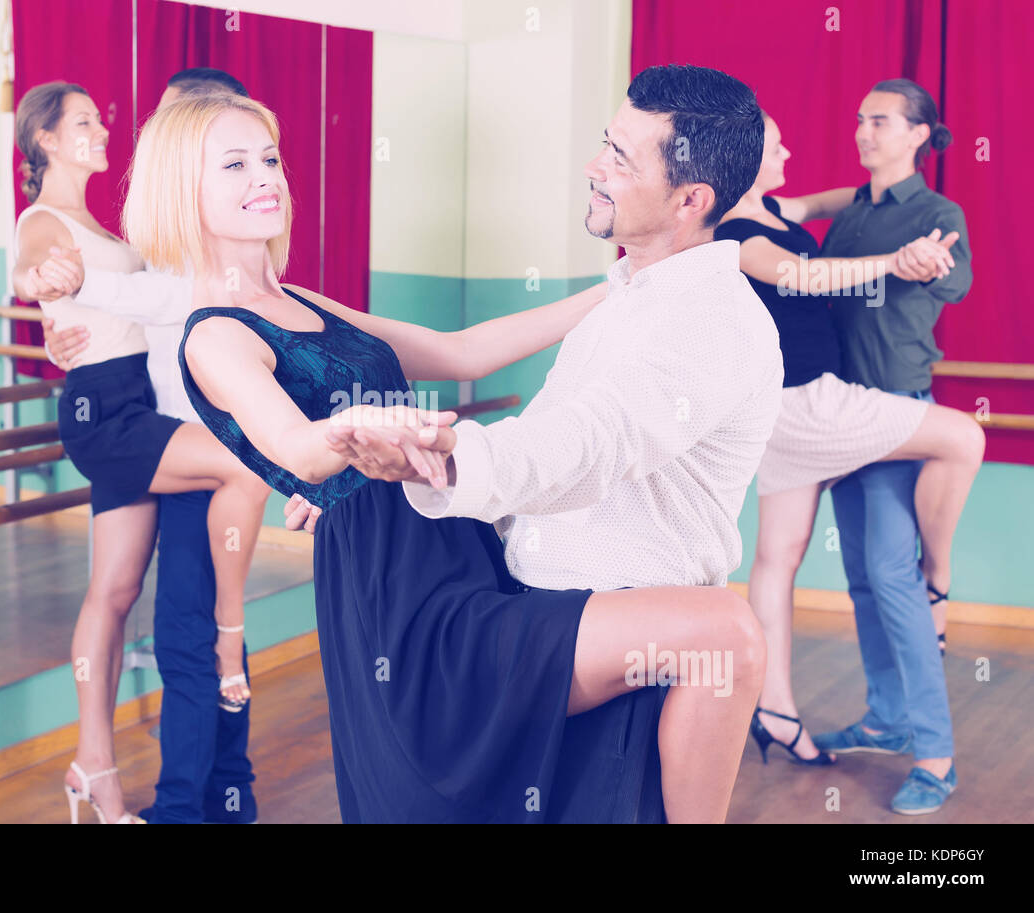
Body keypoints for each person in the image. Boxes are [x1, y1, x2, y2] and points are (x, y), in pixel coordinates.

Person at [170, 64, 782, 823]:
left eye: (269, 158)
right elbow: (299, 451)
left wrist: (632, 279)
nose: (265, 177)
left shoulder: (294, 300)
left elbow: (457, 353)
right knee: (716, 637)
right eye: (234, 165)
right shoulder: (215, 333)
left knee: (710, 644)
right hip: (397, 578)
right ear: (180, 190)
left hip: (447, 543)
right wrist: (364, 458)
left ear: (690, 202)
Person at [11, 79, 269, 824]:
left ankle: (94, 763)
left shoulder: (117, 227)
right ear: (47, 140)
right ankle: (228, 638)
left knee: (113, 592)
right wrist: (44, 290)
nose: (104, 128)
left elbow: (136, 308)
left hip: (134, 403)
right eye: (84, 121)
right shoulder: (45, 221)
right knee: (245, 460)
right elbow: (34, 265)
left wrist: (67, 318)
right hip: (113, 413)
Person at [713, 112, 984, 766]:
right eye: (777, 143)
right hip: (808, 403)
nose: (789, 147)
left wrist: (891, 201)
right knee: (963, 437)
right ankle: (939, 580)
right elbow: (801, 277)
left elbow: (847, 196)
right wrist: (894, 260)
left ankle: (776, 710)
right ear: (750, 156)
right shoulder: (734, 231)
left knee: (779, 557)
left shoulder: (777, 206)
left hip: (781, 410)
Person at [811, 78, 975, 815]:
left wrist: (928, 263)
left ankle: (935, 756)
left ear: (918, 134)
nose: (863, 130)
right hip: (837, 413)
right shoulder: (852, 211)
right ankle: (886, 714)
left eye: (879, 120)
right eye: (859, 118)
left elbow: (955, 277)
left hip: (896, 412)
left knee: (891, 572)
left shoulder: (937, 214)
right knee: (861, 574)